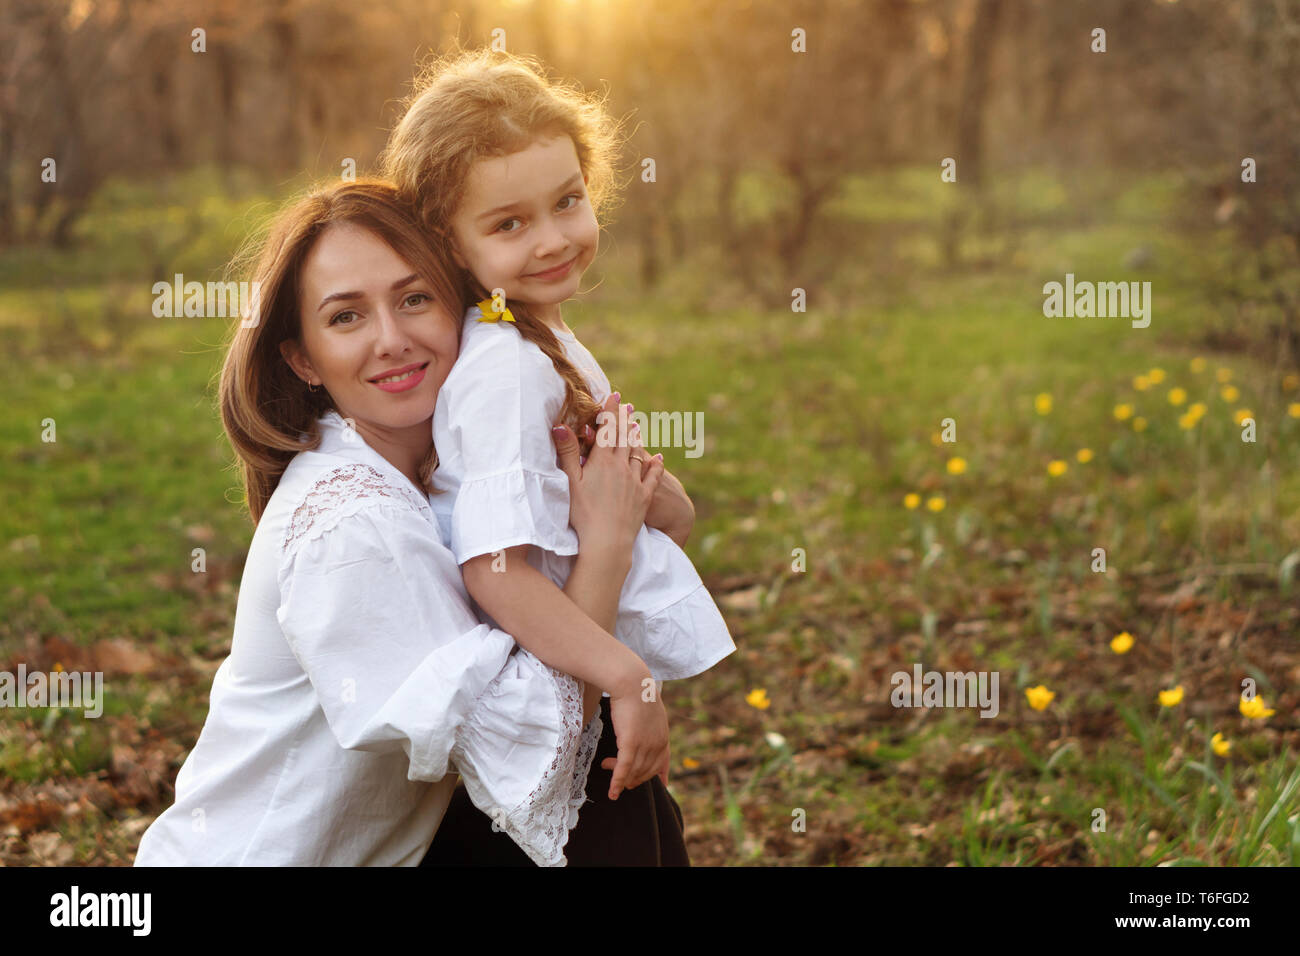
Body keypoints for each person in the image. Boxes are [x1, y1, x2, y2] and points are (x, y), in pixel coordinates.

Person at [133, 179, 665, 866]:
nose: (391, 340)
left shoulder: (446, 471)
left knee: (621, 782)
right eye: (346, 317)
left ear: (463, 310)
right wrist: (607, 550)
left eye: (415, 299)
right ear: (303, 359)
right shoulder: (354, 523)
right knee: (601, 778)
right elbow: (538, 744)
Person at [382, 49, 735, 866]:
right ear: (447, 242)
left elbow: (619, 503)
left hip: (575, 672)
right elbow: (493, 570)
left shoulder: (536, 334)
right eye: (508, 224)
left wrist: (657, 498)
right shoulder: (502, 369)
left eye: (568, 201)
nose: (552, 239)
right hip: (553, 695)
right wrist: (626, 676)